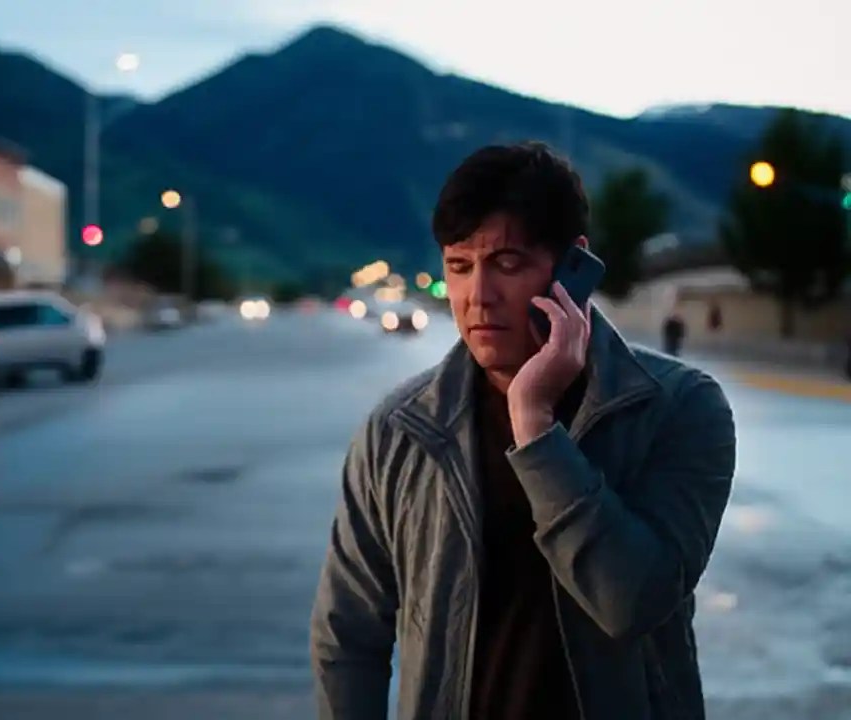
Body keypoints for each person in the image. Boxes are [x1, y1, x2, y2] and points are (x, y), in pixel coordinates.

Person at [310, 142, 736, 720]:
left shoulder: (678, 408)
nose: (477, 297)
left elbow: (632, 601)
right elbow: (349, 636)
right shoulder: (401, 430)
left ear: (572, 267)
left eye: (507, 264)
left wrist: (534, 427)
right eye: (459, 266)